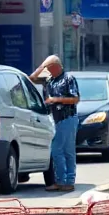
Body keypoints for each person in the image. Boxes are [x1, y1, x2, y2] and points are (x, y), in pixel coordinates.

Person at [29, 56, 80, 192]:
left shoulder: (68, 79)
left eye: (50, 68)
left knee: (63, 150)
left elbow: (75, 99)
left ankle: (67, 181)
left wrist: (55, 99)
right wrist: (43, 65)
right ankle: (62, 181)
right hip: (55, 119)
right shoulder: (49, 80)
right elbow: (32, 78)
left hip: (67, 118)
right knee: (59, 151)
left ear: (57, 66)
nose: (48, 71)